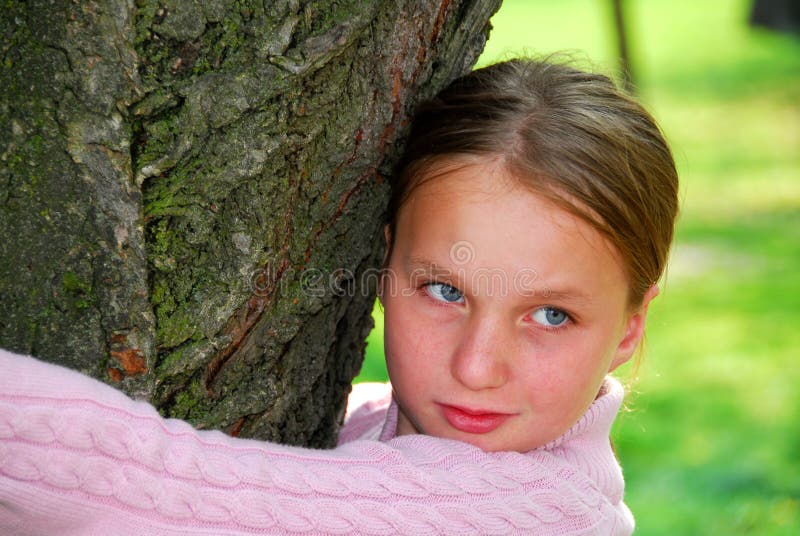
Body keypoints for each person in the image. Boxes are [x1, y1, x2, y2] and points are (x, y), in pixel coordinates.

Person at [0, 57, 678, 535]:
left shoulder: (533, 512)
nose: (477, 368)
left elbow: (164, 495)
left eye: (551, 315)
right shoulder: (378, 416)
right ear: (384, 266)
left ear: (628, 327)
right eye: (444, 290)